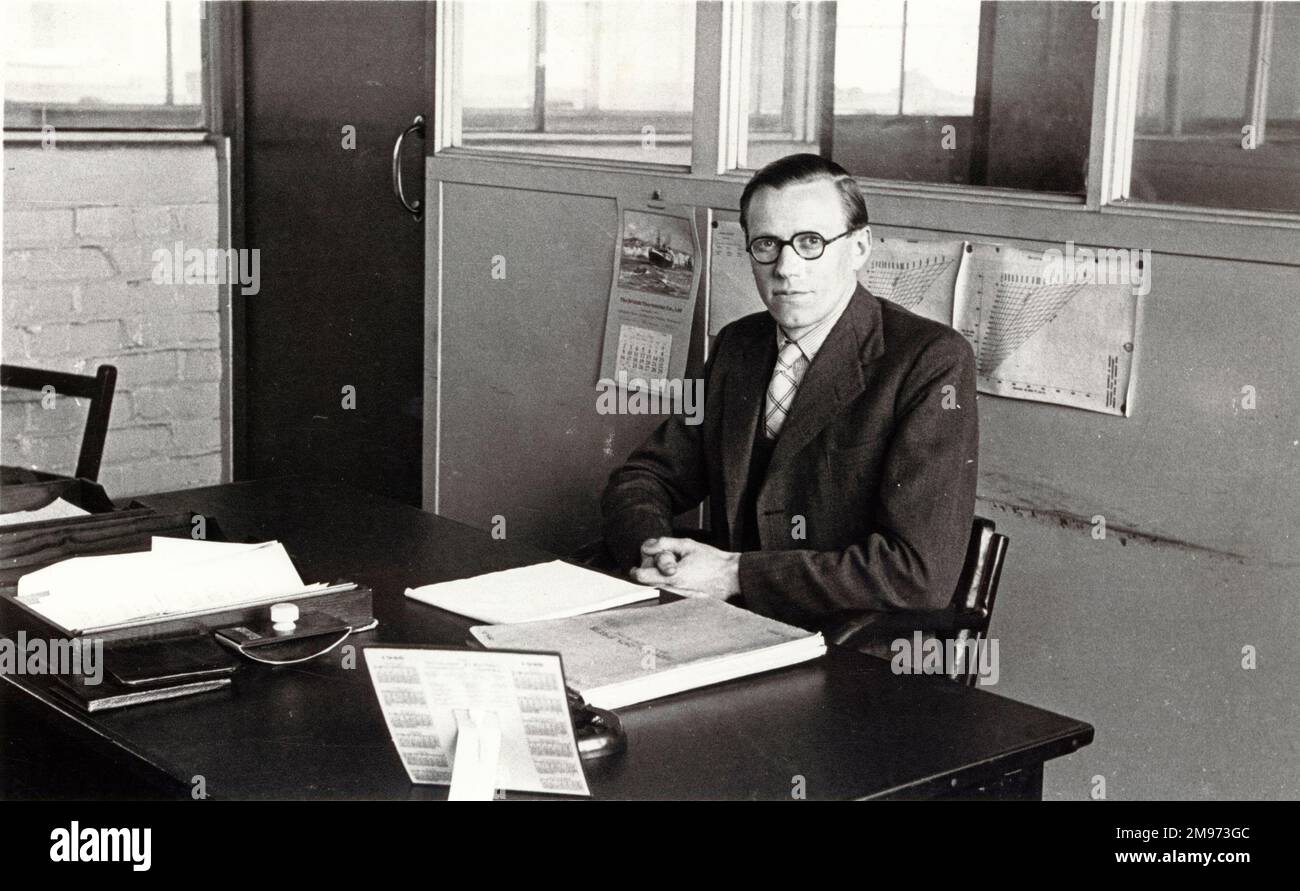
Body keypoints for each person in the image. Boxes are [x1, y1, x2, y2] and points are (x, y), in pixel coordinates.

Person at [601, 154, 978, 630]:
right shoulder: (739, 345)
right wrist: (657, 552)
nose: (785, 267)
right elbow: (644, 478)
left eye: (810, 242)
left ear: (859, 247)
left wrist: (734, 573)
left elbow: (917, 574)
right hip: (725, 626)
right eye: (766, 244)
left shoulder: (930, 360)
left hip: (851, 652)